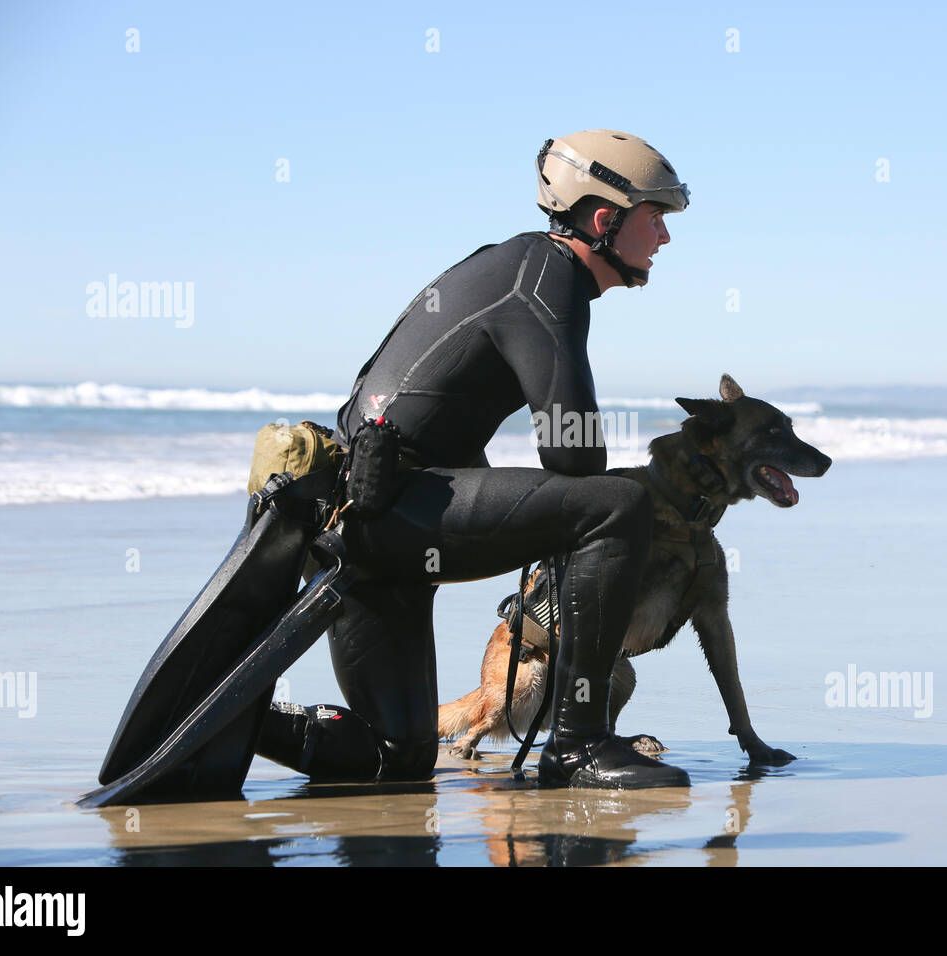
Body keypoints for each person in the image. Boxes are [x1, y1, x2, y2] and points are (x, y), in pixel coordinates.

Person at [255, 129, 692, 789]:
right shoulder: (547, 275)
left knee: (395, 757)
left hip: (356, 524)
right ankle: (578, 745)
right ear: (605, 219)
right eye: (656, 218)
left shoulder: (515, 266)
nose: (663, 238)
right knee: (617, 505)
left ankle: (243, 720)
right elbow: (574, 452)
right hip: (386, 515)